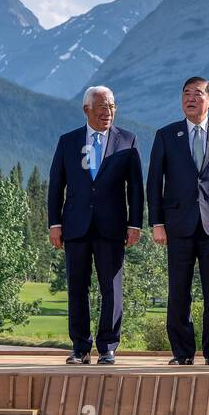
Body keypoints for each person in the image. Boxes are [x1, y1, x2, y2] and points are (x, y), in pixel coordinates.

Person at [147, 76, 209, 366]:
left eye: (197, 94)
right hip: (177, 223)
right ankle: (182, 352)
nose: (190, 98)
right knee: (179, 290)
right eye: (186, 94)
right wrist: (157, 222)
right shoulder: (166, 135)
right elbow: (154, 182)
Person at [48, 86, 143, 365]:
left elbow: (135, 188)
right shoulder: (68, 142)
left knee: (111, 288)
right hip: (75, 226)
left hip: (112, 227)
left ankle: (108, 347)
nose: (107, 112)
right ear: (86, 109)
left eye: (112, 106)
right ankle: (79, 347)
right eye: (102, 107)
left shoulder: (127, 140)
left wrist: (135, 223)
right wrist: (55, 223)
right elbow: (56, 186)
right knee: (77, 287)